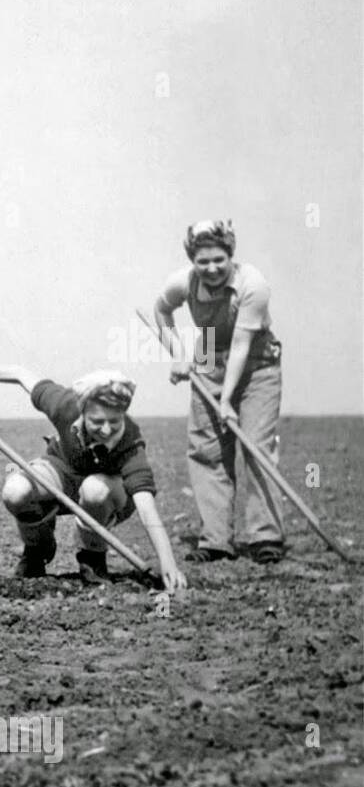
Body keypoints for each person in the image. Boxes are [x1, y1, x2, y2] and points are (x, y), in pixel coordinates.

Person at [0, 367, 187, 592]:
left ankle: (92, 557)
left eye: (114, 422)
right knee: (15, 490)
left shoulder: (131, 443)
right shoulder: (64, 405)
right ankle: (37, 550)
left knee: (94, 490)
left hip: (108, 492)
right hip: (61, 471)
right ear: (82, 411)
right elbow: (18, 372)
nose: (106, 430)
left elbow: (146, 506)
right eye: (97, 421)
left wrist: (168, 563)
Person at [153, 219, 285, 564]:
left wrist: (226, 401)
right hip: (209, 351)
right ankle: (215, 540)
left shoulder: (252, 284)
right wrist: (179, 356)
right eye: (202, 261)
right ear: (192, 260)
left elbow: (241, 345)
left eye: (219, 260)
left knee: (256, 446)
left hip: (256, 361)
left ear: (231, 256)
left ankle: (265, 537)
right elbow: (161, 310)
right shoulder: (181, 282)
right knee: (206, 450)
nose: (211, 268)